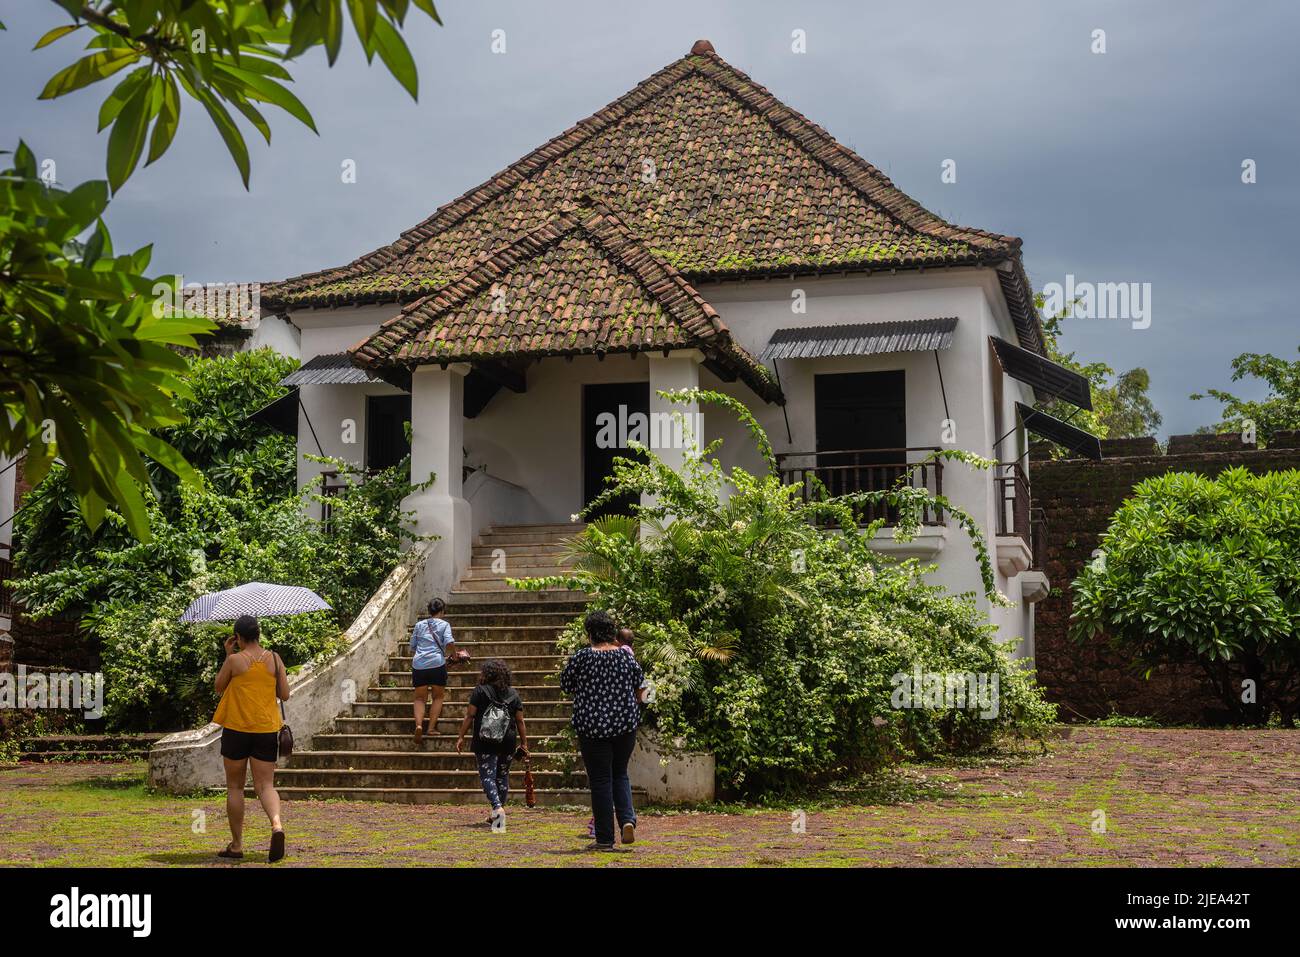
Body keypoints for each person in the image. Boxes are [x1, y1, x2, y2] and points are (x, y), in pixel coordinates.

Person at [560, 609, 644, 851]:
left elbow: (566, 685)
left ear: (590, 634)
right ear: (611, 632)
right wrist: (631, 705)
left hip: (592, 727)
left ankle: (605, 839)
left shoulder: (582, 657)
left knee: (600, 780)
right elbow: (644, 689)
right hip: (624, 726)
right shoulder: (626, 657)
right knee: (620, 773)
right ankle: (627, 820)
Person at [213, 614, 291, 863]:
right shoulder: (275, 659)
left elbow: (218, 686)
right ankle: (277, 825)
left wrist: (227, 655)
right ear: (258, 634)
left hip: (236, 729)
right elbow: (285, 695)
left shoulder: (235, 660)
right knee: (266, 786)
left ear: (237, 637)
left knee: (235, 787)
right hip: (266, 730)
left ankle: (236, 845)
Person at [455, 659, 527, 828]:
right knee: (502, 776)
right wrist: (524, 743)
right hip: (507, 740)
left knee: (488, 775)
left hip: (485, 740)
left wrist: (461, 736)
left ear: (486, 674)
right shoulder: (513, 694)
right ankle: (497, 815)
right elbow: (520, 721)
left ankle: (497, 808)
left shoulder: (480, 691)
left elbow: (470, 715)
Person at [411, 598, 457, 746]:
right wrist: (455, 655)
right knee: (438, 697)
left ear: (429, 611)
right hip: (437, 663)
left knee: (419, 698)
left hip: (419, 664)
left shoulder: (419, 625)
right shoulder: (445, 624)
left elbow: (412, 645)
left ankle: (419, 725)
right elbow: (449, 642)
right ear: (442, 611)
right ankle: (430, 728)